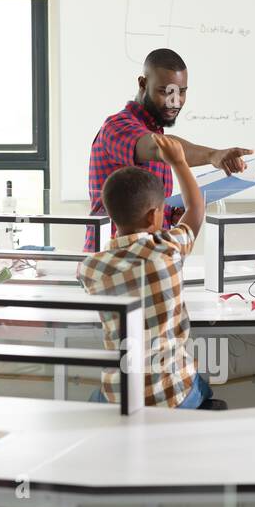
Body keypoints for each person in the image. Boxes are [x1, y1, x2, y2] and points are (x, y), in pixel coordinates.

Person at [77, 133, 222, 409]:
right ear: (154, 216)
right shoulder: (169, 249)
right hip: (171, 397)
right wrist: (179, 162)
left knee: (93, 405)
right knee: (199, 382)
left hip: (120, 401)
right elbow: (195, 208)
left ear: (111, 213)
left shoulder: (90, 268)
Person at [85, 48, 252, 252]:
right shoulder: (117, 127)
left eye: (181, 92)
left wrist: (171, 213)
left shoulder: (154, 130)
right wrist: (212, 155)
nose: (175, 101)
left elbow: (144, 209)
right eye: (165, 91)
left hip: (150, 261)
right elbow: (160, 146)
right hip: (110, 264)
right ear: (143, 84)